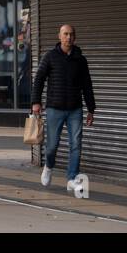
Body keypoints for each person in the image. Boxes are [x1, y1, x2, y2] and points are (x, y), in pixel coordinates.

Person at [32, 23, 97, 194]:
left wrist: (91, 109)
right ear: (59, 36)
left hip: (75, 109)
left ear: (75, 37)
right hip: (55, 108)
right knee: (52, 145)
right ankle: (48, 166)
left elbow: (87, 85)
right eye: (65, 34)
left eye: (71, 34)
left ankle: (72, 179)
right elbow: (39, 79)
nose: (69, 37)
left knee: (76, 144)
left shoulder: (80, 60)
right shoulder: (50, 57)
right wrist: (36, 102)